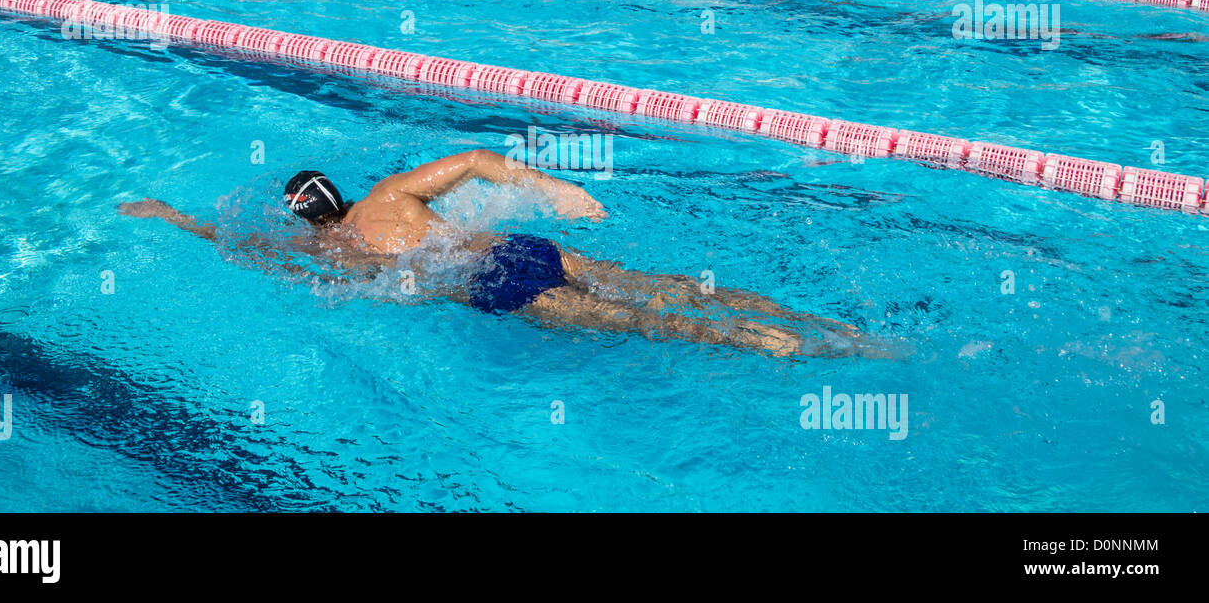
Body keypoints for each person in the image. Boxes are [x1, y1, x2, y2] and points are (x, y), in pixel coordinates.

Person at [119, 149, 868, 356]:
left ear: (306, 218)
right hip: (515, 244)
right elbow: (478, 158)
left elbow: (234, 243)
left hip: (490, 286)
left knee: (659, 325)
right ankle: (818, 324)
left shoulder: (333, 253)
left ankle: (777, 345)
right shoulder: (387, 196)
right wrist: (554, 189)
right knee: (668, 285)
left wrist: (169, 216)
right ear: (340, 190)